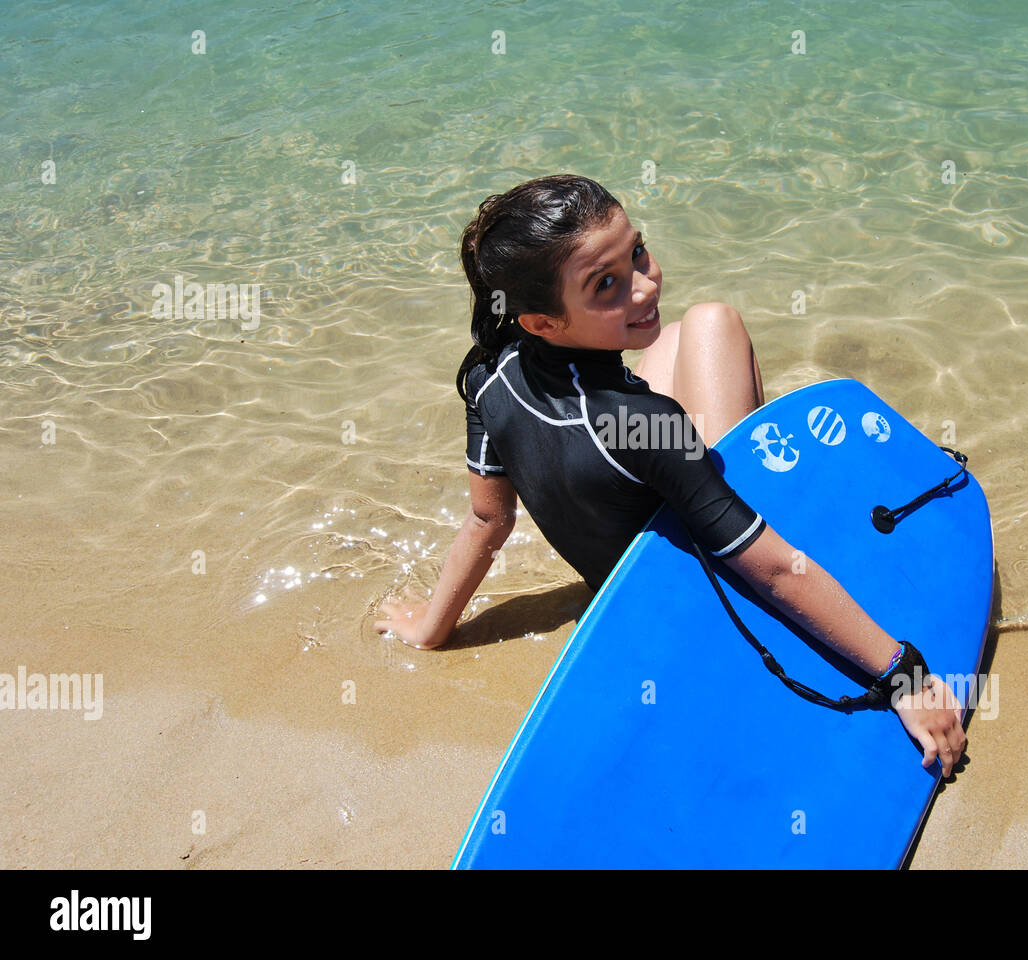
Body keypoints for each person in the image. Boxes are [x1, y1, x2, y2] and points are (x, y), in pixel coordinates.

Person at [373, 174, 966, 777]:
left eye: (636, 252)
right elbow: (778, 573)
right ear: (543, 322)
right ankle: (767, 493)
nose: (645, 284)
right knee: (718, 325)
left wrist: (431, 627)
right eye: (606, 285)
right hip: (710, 594)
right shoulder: (647, 424)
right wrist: (903, 675)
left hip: (623, 543)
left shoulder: (486, 375)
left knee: (692, 329)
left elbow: (486, 519)